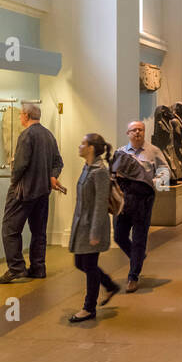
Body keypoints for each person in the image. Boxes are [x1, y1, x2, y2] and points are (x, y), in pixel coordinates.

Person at [0, 102, 64, 284]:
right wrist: (52, 176)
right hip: (43, 192)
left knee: (9, 229)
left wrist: (14, 182)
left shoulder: (27, 135)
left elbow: (20, 165)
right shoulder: (48, 135)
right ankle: (38, 268)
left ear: (26, 116)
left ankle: (16, 268)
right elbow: (59, 162)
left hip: (24, 191)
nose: (20, 117)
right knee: (39, 231)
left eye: (21, 114)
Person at [111, 120, 169, 292]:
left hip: (143, 202)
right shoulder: (120, 153)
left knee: (139, 237)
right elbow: (112, 175)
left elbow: (165, 171)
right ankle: (138, 257)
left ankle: (133, 275)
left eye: (140, 130)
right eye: (134, 130)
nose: (137, 132)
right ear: (127, 133)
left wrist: (154, 184)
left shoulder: (153, 151)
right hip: (124, 201)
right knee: (119, 236)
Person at [68, 133, 120, 321]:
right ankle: (110, 285)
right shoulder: (87, 167)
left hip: (92, 225)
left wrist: (95, 232)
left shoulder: (99, 171)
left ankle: (89, 308)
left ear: (91, 148)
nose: (79, 146)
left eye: (83, 143)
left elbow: (100, 204)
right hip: (82, 224)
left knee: (89, 265)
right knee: (80, 263)